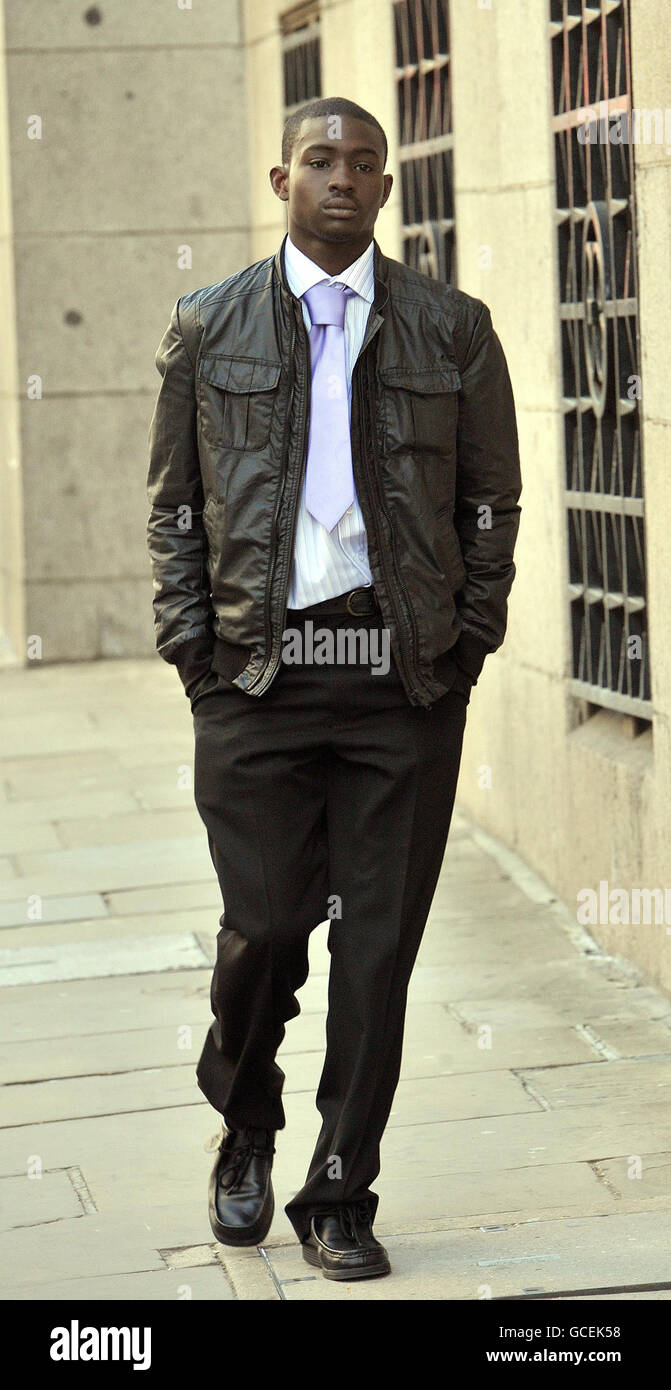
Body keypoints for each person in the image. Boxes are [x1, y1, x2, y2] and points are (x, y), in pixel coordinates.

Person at [146, 96, 522, 1282]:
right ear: (280, 178)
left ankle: (340, 1185)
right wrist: (195, 652)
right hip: (256, 676)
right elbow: (171, 505)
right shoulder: (207, 327)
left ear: (387, 185)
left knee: (376, 950)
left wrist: (463, 641)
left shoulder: (450, 329)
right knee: (263, 926)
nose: (342, 180)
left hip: (396, 683)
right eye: (320, 161)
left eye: (364, 163)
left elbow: (487, 503)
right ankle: (245, 1123)